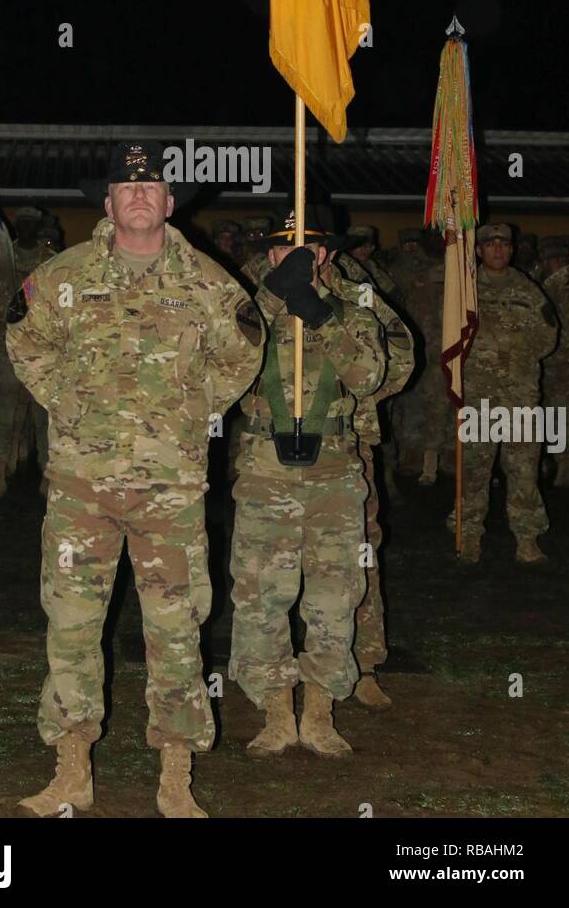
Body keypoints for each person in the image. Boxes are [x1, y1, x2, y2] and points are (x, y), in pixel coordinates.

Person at [6, 140, 264, 818]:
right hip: (80, 489)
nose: (140, 196)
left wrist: (190, 406)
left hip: (169, 492)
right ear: (110, 202)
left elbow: (244, 353)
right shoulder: (63, 275)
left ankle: (175, 778)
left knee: (176, 629)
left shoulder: (210, 283)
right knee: (70, 625)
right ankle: (71, 771)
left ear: (171, 203)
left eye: (152, 188)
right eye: (127, 187)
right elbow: (23, 339)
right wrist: (68, 397)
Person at [229, 208, 386, 758]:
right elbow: (222, 365)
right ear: (269, 256)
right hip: (266, 472)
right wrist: (275, 299)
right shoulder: (248, 311)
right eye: (282, 249)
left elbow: (369, 375)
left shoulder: (352, 311)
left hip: (334, 476)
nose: (296, 257)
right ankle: (275, 711)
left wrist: (317, 312)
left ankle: (320, 711)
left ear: (326, 255)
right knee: (260, 595)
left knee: (334, 595)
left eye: (308, 249)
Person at [327, 245, 414, 707]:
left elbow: (400, 351)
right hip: (274, 450)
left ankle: (364, 662)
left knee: (359, 551)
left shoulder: (357, 297)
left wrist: (362, 399)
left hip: (348, 443)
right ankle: (278, 674)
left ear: (326, 250)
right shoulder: (264, 294)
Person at [455, 224, 558, 563]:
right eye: (490, 244)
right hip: (478, 397)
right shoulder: (464, 292)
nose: (498, 250)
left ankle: (527, 539)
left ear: (512, 250)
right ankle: (468, 534)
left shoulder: (528, 291)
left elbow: (547, 338)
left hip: (519, 397)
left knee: (524, 468)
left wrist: (516, 359)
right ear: (479, 250)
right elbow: (450, 341)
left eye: (504, 244)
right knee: (474, 468)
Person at [0, 207, 54, 497]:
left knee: (43, 414)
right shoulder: (1, 262)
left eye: (31, 224)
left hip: (40, 351)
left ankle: (48, 472)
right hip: (5, 346)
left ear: (37, 228)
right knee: (2, 412)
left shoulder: (49, 262)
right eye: (21, 224)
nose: (25, 229)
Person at [389, 228, 450, 483]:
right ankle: (412, 459)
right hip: (409, 348)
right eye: (407, 243)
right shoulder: (395, 271)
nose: (412, 248)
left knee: (439, 404)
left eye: (416, 242)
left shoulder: (440, 269)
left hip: (439, 348)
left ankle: (433, 461)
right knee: (410, 406)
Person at [543, 260, 569, 487]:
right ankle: (563, 465)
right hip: (561, 363)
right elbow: (543, 320)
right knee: (559, 416)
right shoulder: (556, 283)